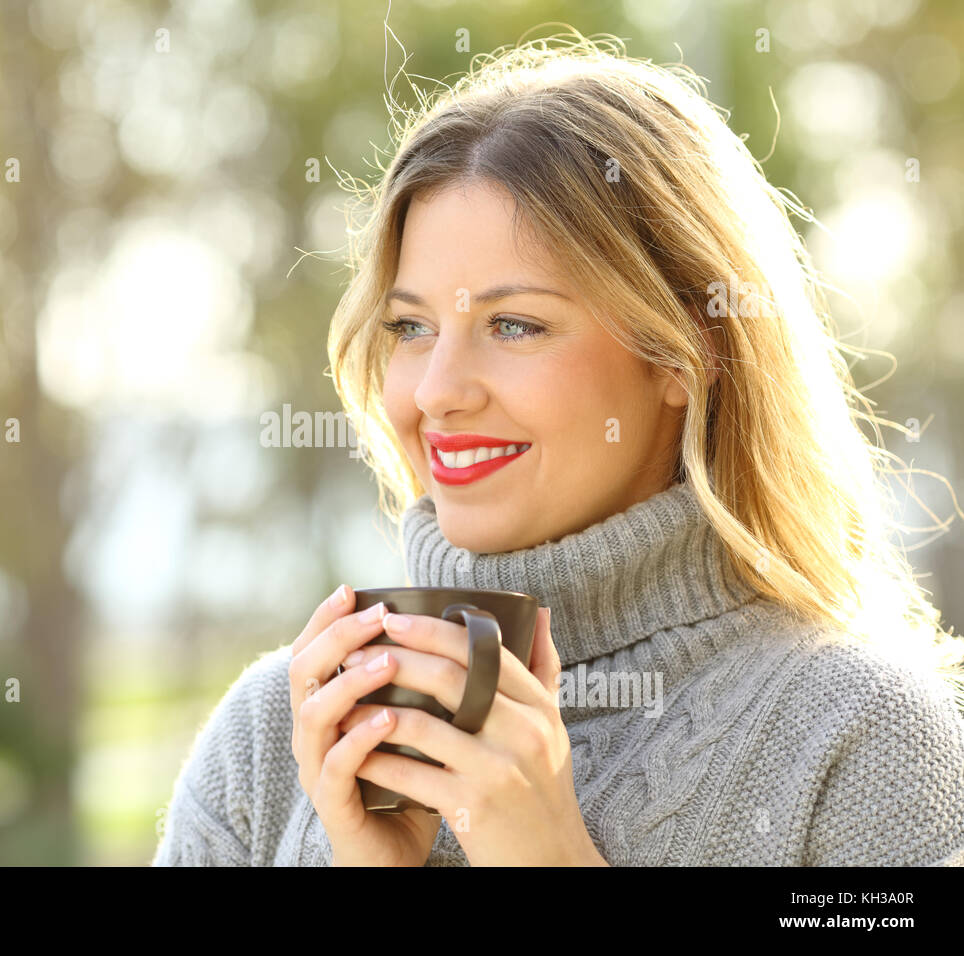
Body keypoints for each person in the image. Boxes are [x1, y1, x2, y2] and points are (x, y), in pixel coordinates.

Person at [151, 31, 964, 866]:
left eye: (514, 325)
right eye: (410, 327)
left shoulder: (864, 740)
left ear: (686, 353)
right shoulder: (270, 740)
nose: (437, 391)